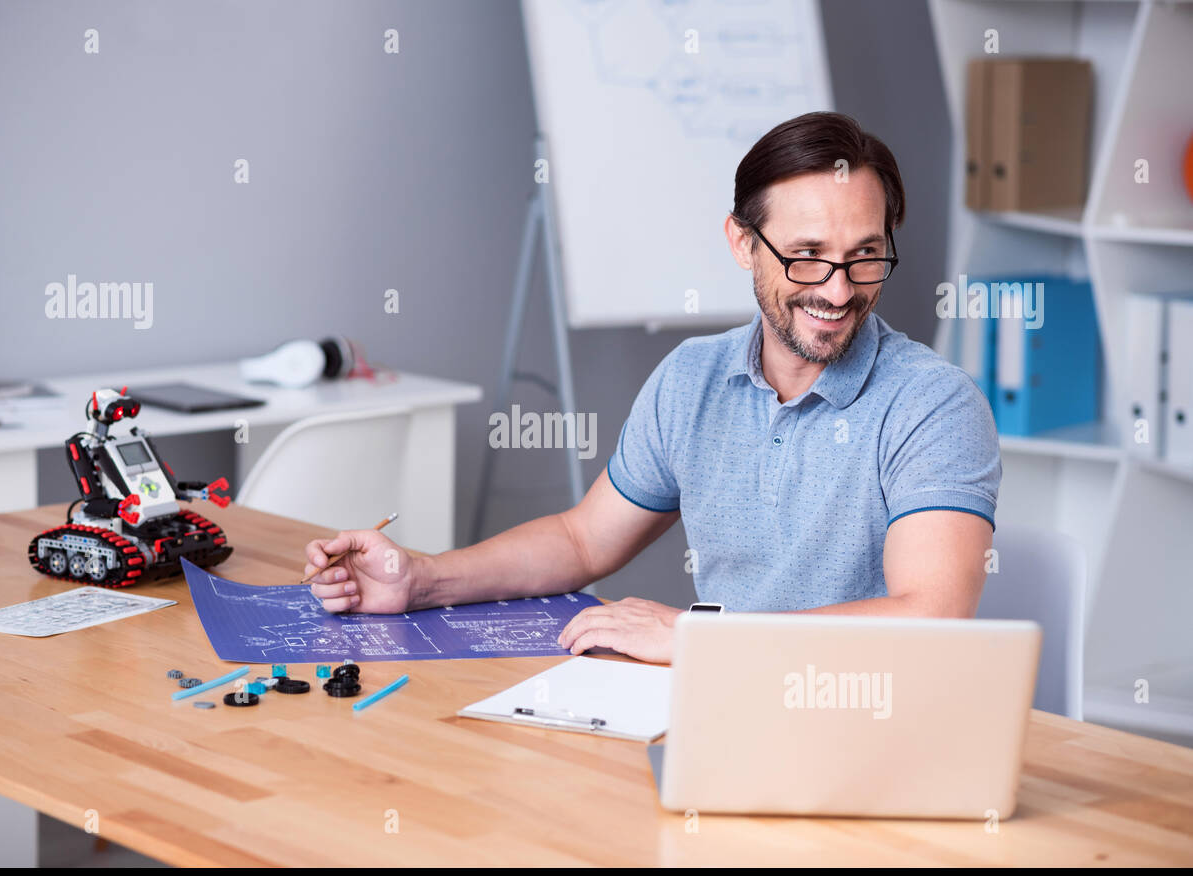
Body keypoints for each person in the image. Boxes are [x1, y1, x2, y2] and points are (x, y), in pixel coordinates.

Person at [302, 111, 1000, 664]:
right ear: (742, 242)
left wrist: (702, 639)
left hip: (866, 721)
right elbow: (582, 541)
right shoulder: (692, 379)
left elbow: (929, 616)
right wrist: (422, 581)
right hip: (723, 707)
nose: (839, 289)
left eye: (865, 256)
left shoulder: (934, 404)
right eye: (807, 255)